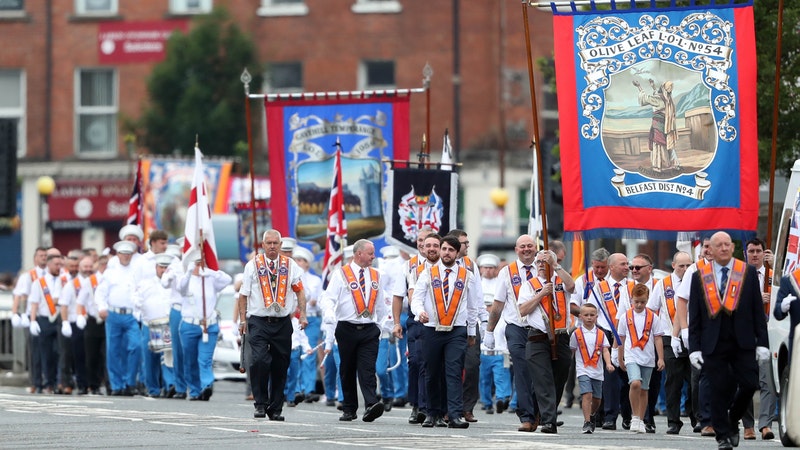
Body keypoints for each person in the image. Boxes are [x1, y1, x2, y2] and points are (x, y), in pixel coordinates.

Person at [688, 231, 769, 449]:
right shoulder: (699, 276)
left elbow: (757, 312)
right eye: (719, 245)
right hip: (713, 342)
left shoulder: (747, 273)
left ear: (732, 248)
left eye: (727, 244)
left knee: (750, 384)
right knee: (717, 388)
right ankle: (723, 436)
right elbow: (694, 314)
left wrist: (763, 342)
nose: (724, 248)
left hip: (742, 341)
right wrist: (693, 348)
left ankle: (732, 418)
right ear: (710, 250)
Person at [411, 235, 481, 429]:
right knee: (432, 372)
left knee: (454, 371)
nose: (446, 253)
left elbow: (473, 306)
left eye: (451, 250)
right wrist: (420, 312)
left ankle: (455, 414)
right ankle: (432, 413)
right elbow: (416, 299)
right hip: (431, 329)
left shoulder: (467, 275)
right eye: (444, 249)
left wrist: (472, 332)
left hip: (456, 330)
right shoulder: (427, 273)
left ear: (457, 253)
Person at [238, 229, 307, 420]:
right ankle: (260, 403)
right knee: (260, 360)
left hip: (282, 321)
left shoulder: (290, 265)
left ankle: (276, 408)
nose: (272, 246)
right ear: (262, 245)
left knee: (281, 364)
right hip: (259, 321)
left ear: (280, 245)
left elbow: (299, 290)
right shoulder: (253, 265)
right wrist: (242, 320)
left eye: (275, 243)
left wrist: (303, 315)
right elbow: (243, 295)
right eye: (268, 243)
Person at [321, 239, 389, 422]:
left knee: (367, 368)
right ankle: (349, 408)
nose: (373, 257)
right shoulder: (340, 274)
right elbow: (329, 298)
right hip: (346, 327)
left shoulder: (377, 275)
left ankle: (371, 404)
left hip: (369, 329)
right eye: (370, 253)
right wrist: (328, 312)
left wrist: (382, 326)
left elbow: (381, 303)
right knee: (347, 368)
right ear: (359, 254)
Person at [485, 234, 542, 432]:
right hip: (516, 327)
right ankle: (526, 416)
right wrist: (490, 331)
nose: (526, 249)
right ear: (516, 250)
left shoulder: (544, 269)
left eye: (530, 246)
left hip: (540, 328)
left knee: (540, 372)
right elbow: (498, 304)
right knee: (522, 369)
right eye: (522, 246)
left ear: (535, 248)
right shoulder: (506, 272)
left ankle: (539, 412)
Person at [521, 248, 575, 434]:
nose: (542, 266)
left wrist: (556, 265)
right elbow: (522, 310)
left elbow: (572, 286)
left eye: (546, 262)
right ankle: (549, 421)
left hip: (560, 336)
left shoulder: (560, 279)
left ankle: (541, 414)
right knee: (543, 379)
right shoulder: (529, 284)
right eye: (539, 263)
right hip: (538, 337)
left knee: (559, 378)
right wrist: (541, 294)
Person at [391, 228, 436, 425]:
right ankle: (416, 405)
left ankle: (430, 407)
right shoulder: (408, 266)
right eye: (420, 240)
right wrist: (395, 322)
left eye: (427, 240)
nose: (423, 244)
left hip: (438, 319)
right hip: (415, 319)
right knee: (416, 361)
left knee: (431, 364)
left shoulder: (442, 264)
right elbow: (398, 296)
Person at [647, 251, 694, 434]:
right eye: (681, 265)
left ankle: (695, 415)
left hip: (692, 336)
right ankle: (673, 421)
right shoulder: (663, 284)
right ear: (673, 265)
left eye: (688, 265)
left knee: (694, 380)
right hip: (670, 337)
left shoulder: (696, 281)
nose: (684, 269)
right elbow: (652, 309)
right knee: (673, 381)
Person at [447, 229, 486, 423]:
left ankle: (467, 407)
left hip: (469, 322)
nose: (468, 246)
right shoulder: (442, 263)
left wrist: (483, 321)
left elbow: (478, 295)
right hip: (448, 323)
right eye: (464, 243)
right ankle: (448, 407)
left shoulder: (471, 265)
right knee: (451, 367)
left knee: (472, 366)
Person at [741, 238, 777, 440]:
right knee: (746, 381)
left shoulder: (774, 276)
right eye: (751, 251)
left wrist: (776, 265)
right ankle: (748, 426)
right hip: (746, 334)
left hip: (768, 333)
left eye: (759, 251)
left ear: (765, 253)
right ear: (746, 253)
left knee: (767, 381)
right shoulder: (739, 277)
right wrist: (754, 299)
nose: (755, 254)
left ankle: (765, 424)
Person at [95, 241, 141, 396]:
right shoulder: (110, 272)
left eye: (129, 254)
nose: (126, 256)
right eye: (123, 253)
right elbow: (101, 292)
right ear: (118, 254)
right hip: (113, 313)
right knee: (113, 350)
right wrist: (102, 307)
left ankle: (130, 381)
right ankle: (117, 384)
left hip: (131, 314)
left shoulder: (136, 271)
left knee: (136, 346)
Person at [618, 283, 665, 434]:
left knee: (645, 389)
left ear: (647, 300)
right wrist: (620, 358)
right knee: (635, 383)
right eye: (636, 301)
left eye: (643, 302)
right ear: (631, 299)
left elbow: (658, 338)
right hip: (632, 355)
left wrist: (661, 358)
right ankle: (634, 417)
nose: (639, 305)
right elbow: (622, 338)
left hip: (648, 356)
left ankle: (641, 418)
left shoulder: (653, 317)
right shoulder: (626, 317)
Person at [571, 303, 613, 433]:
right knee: (586, 394)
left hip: (597, 370)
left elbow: (605, 350)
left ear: (596, 317)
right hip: (583, 369)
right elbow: (572, 350)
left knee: (597, 399)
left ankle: (593, 414)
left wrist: (608, 363)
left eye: (592, 315)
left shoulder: (601, 333)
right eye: (586, 315)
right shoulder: (576, 333)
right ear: (580, 317)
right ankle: (587, 421)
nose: (589, 318)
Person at [12, 247, 48, 393]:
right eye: (41, 255)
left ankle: (49, 380)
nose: (44, 258)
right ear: (35, 258)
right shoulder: (29, 276)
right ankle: (35, 381)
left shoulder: (53, 275)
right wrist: (17, 313)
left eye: (46, 255)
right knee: (34, 351)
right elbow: (20, 296)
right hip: (32, 316)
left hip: (48, 315)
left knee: (50, 350)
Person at [27, 253, 64, 394]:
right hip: (44, 319)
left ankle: (60, 382)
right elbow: (34, 303)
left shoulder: (64, 280)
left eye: (60, 264)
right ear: (48, 265)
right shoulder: (39, 282)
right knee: (46, 354)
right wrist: (33, 320)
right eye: (56, 264)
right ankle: (48, 382)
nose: (59, 267)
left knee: (60, 352)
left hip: (60, 319)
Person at [292, 246, 323, 403]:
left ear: (307, 264)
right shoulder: (291, 277)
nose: (298, 262)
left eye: (301, 260)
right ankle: (296, 388)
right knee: (295, 353)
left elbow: (320, 301)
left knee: (309, 354)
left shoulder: (315, 280)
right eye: (296, 259)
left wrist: (315, 302)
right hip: (294, 319)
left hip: (310, 319)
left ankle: (309, 388)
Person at [74, 256, 106, 395]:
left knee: (106, 355)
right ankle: (93, 385)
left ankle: (109, 384)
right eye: (103, 264)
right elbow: (80, 302)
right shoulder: (90, 281)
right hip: (93, 321)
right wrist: (80, 315)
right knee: (92, 355)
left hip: (109, 320)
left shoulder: (113, 279)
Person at [633, 78, 679, 172]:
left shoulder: (664, 99)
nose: (670, 91)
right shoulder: (665, 100)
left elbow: (650, 97)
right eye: (669, 89)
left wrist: (645, 87)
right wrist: (646, 86)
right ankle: (665, 165)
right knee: (663, 144)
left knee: (663, 144)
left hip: (663, 126)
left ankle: (665, 165)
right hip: (663, 126)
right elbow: (651, 98)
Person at [58, 252, 88, 395]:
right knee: (69, 355)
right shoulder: (67, 283)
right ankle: (67, 383)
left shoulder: (91, 281)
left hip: (88, 321)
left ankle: (86, 383)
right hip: (72, 322)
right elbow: (63, 305)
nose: (75, 268)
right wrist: (65, 322)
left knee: (87, 355)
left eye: (77, 266)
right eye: (72, 266)